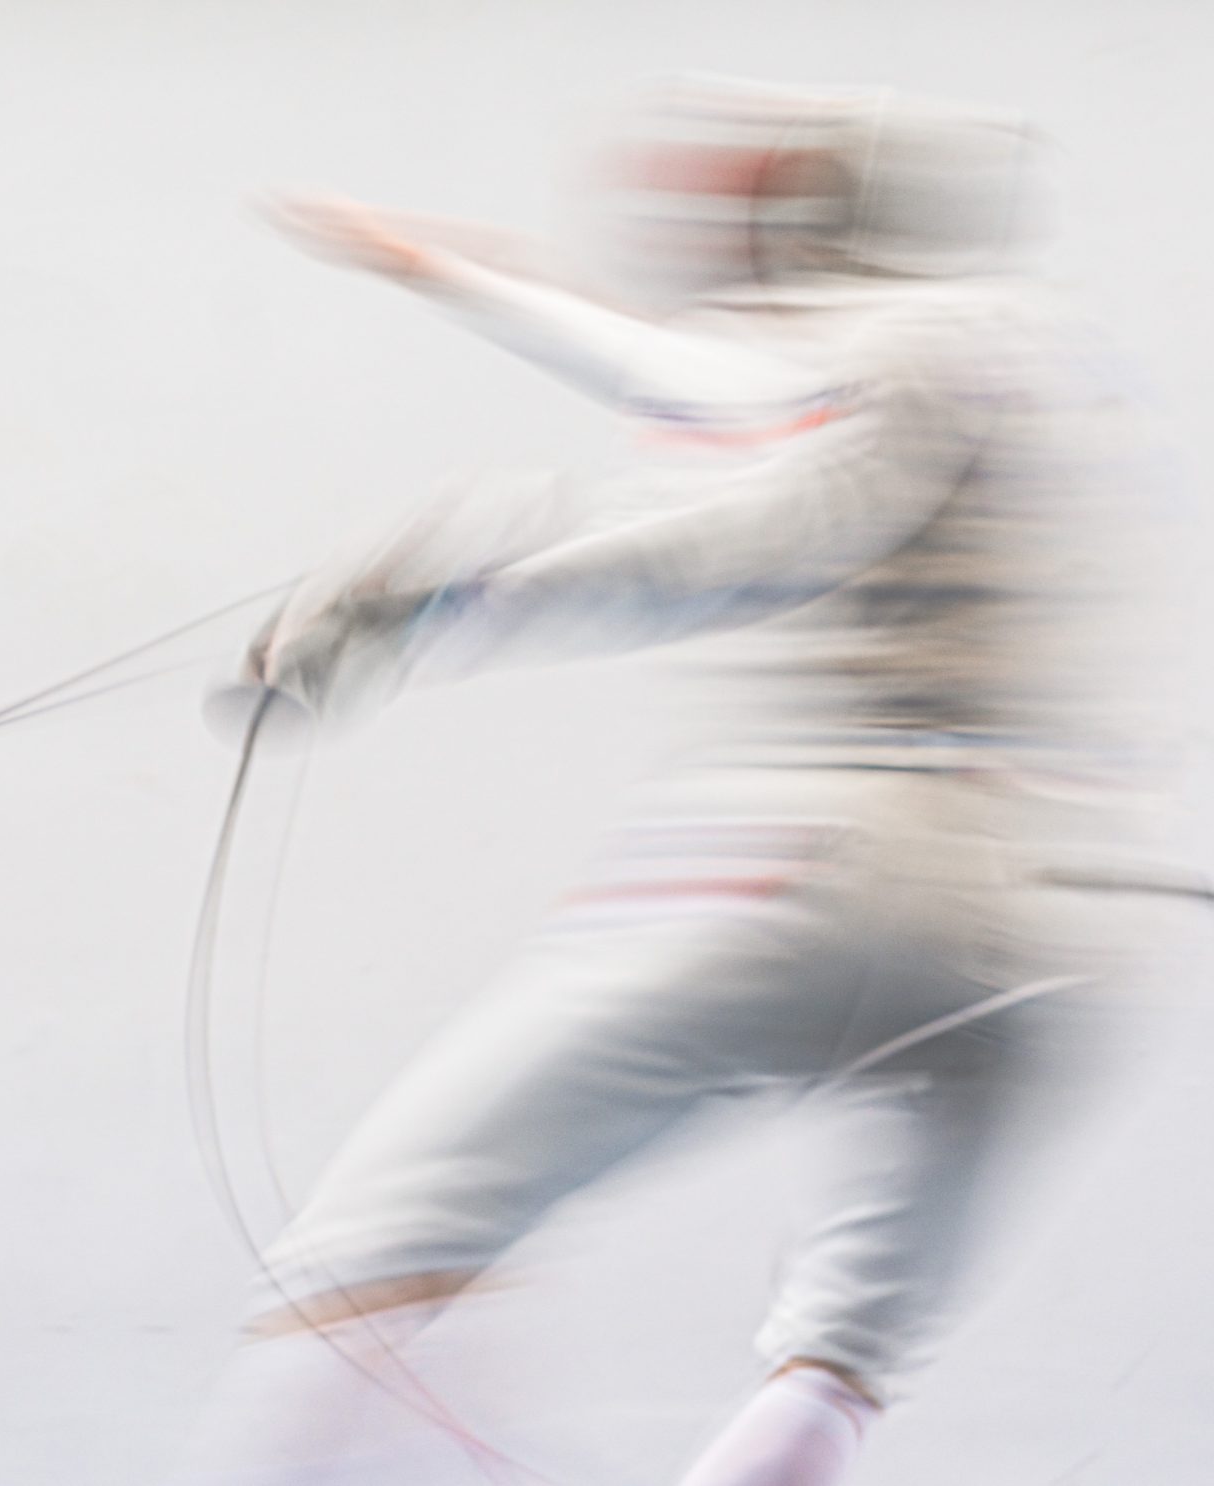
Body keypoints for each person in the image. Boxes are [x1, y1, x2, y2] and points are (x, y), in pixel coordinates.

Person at [185, 77, 1184, 1486]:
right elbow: (717, 381)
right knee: (846, 1353)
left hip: (837, 867)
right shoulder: (1038, 357)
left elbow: (764, 527)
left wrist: (446, 602)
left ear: (813, 234)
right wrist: (456, 275)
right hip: (1077, 935)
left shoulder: (878, 350)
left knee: (379, 1243)